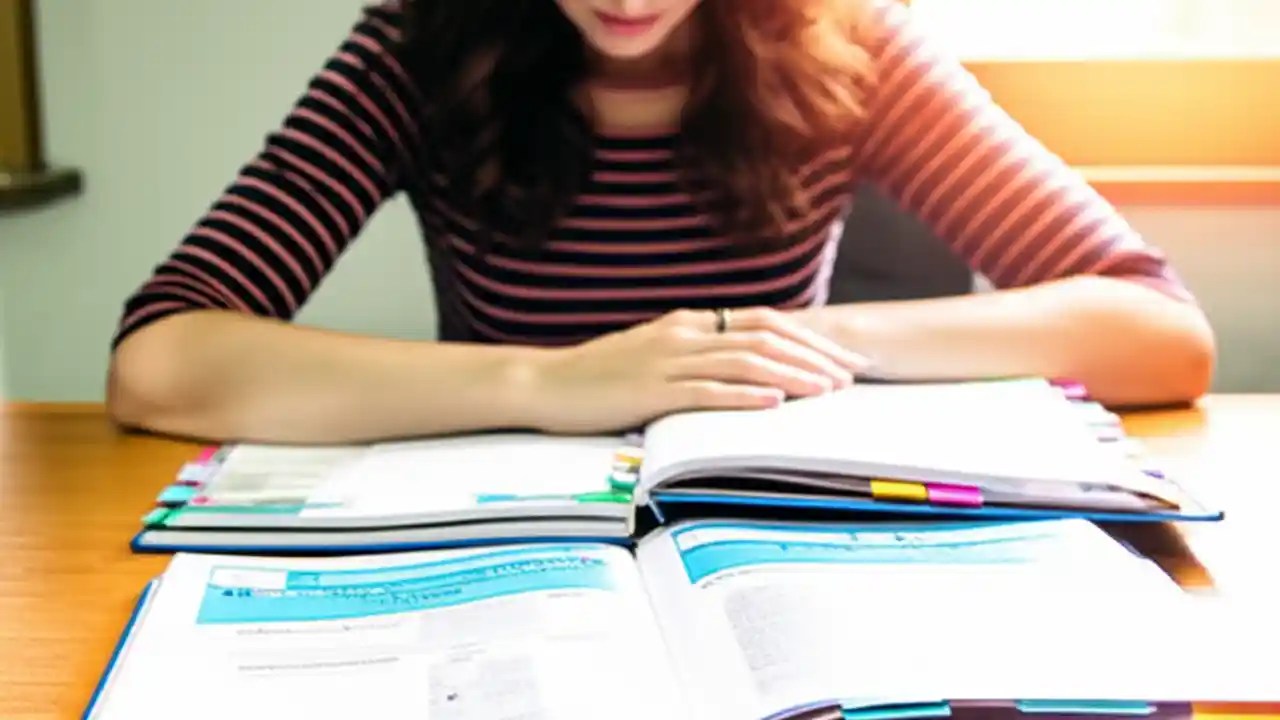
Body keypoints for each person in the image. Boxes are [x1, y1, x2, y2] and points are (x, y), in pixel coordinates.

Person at [105, 0, 1215, 444]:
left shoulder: (847, 46)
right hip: (509, 535)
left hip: (772, 529)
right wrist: (554, 381)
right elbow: (158, 362)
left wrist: (793, 338)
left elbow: (1157, 333)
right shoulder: (419, 51)